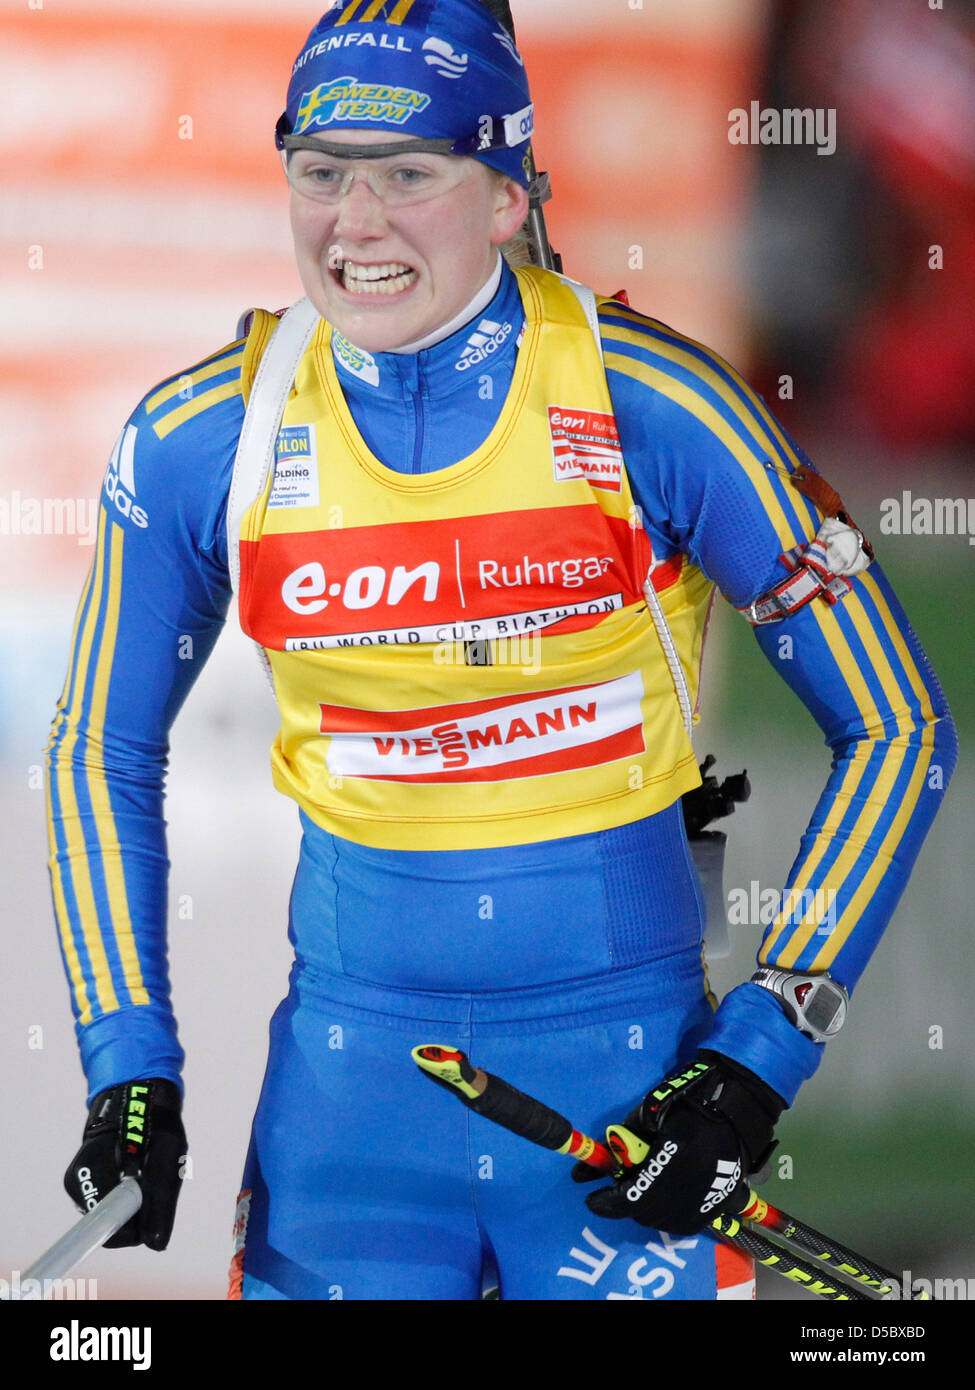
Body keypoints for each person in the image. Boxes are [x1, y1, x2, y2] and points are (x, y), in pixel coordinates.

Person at [49, 0, 956, 1302]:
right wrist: (128, 1068)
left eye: (407, 174)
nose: (354, 225)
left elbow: (899, 724)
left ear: (505, 194)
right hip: (349, 1134)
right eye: (320, 173)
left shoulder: (657, 403)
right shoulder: (205, 434)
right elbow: (97, 746)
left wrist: (754, 1060)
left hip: (629, 1109)